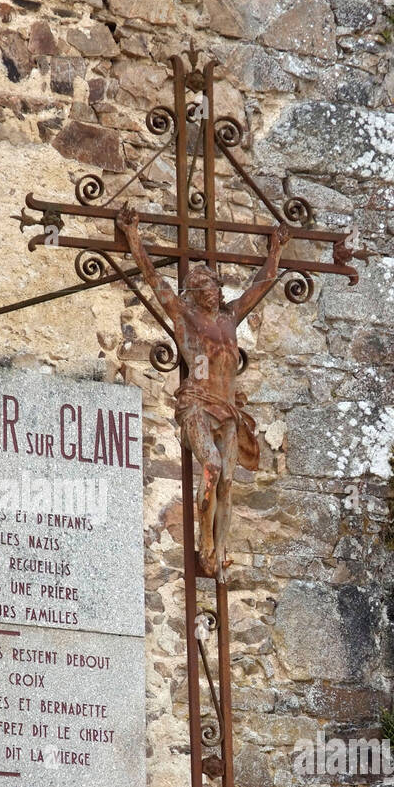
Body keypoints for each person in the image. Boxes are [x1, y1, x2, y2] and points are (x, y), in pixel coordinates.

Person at [116, 205, 291, 578]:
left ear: (218, 288)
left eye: (210, 286)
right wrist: (133, 236)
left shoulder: (230, 318)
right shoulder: (185, 316)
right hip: (196, 404)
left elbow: (263, 282)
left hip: (228, 409)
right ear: (192, 295)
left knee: (227, 482)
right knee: (211, 467)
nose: (206, 293)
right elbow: (154, 281)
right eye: (198, 289)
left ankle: (221, 550)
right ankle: (205, 545)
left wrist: (276, 249)